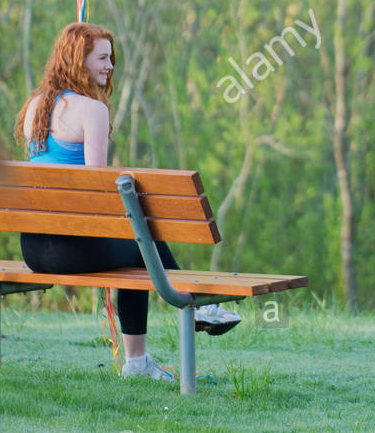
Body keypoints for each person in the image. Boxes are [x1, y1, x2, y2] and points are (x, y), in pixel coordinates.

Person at [12, 22, 240, 382]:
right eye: (102, 58)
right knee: (142, 241)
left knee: (140, 241)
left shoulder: (35, 105)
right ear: (78, 60)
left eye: (111, 58)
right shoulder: (92, 111)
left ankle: (195, 313)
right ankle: (173, 329)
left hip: (34, 248)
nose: (110, 66)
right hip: (71, 251)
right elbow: (97, 193)